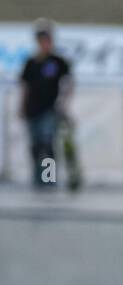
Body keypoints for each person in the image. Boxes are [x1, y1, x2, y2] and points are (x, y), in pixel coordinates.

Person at [19, 19, 71, 189]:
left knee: (48, 143)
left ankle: (49, 178)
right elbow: (25, 86)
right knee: (35, 145)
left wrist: (64, 103)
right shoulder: (31, 63)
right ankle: (37, 177)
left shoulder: (57, 62)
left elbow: (68, 83)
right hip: (32, 109)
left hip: (50, 109)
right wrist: (22, 106)